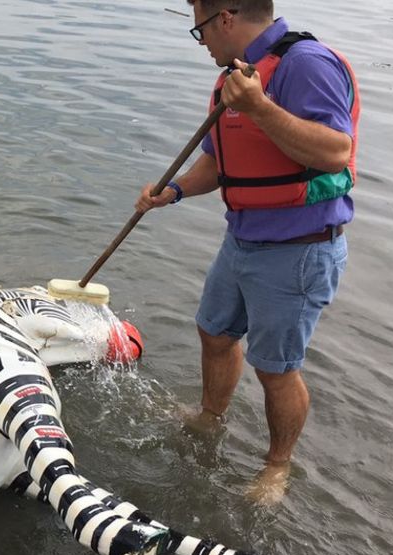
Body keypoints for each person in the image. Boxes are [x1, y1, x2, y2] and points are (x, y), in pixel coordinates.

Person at [135, 0, 359, 504]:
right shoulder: (234, 78)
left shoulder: (306, 64)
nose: (203, 43)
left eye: (201, 30)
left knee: (276, 367)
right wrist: (173, 191)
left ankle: (277, 468)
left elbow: (335, 151)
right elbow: (219, 163)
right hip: (242, 238)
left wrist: (259, 107)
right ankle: (209, 417)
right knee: (214, 332)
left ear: (226, 18)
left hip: (298, 249)